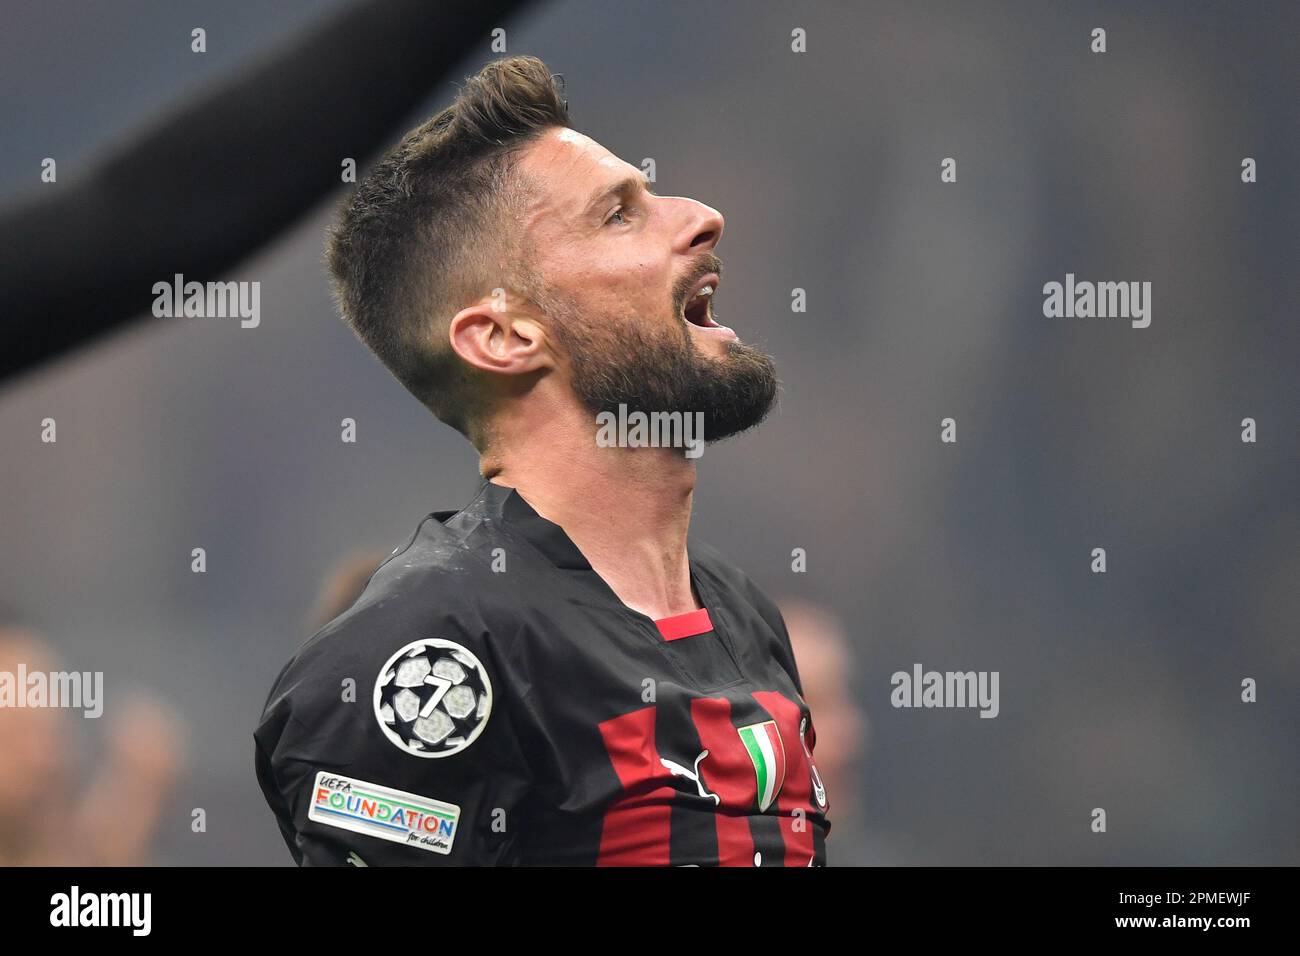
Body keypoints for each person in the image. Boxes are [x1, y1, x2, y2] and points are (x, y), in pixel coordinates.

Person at [255, 56, 830, 866]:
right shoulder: (426, 651)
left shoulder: (742, 613)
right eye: (619, 216)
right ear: (503, 336)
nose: (702, 218)